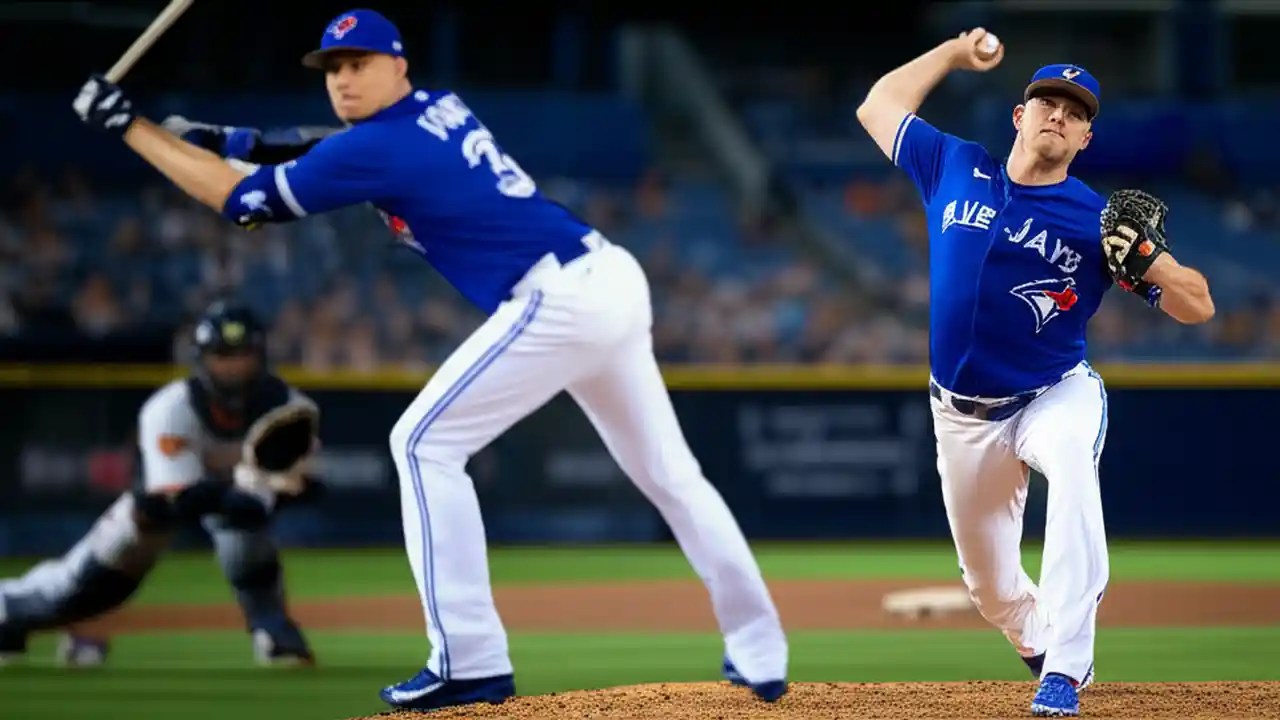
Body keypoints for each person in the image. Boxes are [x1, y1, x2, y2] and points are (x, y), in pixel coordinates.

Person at [71, 8, 788, 711]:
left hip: (558, 296)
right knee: (673, 476)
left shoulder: (374, 148)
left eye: (360, 63)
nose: (343, 79)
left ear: (398, 65)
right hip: (607, 279)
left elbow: (243, 200)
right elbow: (320, 147)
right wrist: (230, 137)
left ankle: (470, 662)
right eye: (333, 68)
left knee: (421, 443)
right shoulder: (434, 109)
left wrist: (126, 127)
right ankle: (761, 651)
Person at [855, 28, 1215, 718]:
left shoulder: (1096, 219)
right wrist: (954, 55)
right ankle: (1046, 651)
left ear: (1085, 140)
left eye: (1076, 112)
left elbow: (1198, 305)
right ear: (1020, 116)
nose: (1059, 114)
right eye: (1048, 101)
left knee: (1074, 470)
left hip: (1054, 394)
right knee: (989, 588)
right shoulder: (954, 165)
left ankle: (1067, 673)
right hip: (961, 415)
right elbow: (878, 106)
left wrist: (1150, 261)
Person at [0, 299, 320, 667]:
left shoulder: (289, 407)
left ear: (261, 355)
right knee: (76, 591)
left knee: (244, 528)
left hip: (230, 500)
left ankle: (272, 627)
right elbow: (175, 498)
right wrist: (254, 491)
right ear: (202, 359)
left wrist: (274, 491)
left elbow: (306, 482)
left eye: (242, 354)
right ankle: (9, 609)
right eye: (222, 354)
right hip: (146, 511)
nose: (233, 366)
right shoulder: (171, 407)